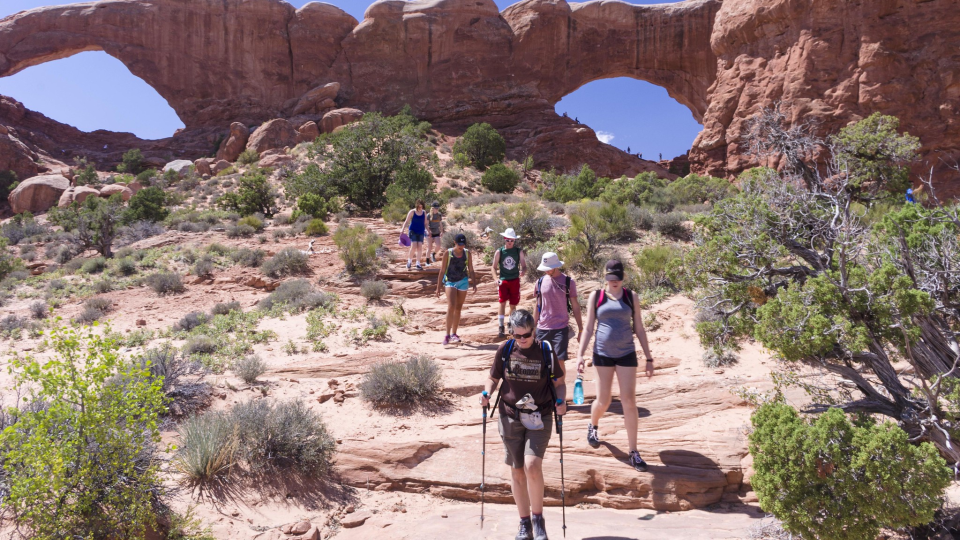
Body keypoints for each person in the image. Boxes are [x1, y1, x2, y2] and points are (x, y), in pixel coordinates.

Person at [481, 310, 566, 540]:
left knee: (531, 465)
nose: (522, 340)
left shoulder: (546, 351)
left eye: (526, 335)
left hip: (540, 416)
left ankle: (538, 521)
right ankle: (524, 524)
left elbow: (559, 383)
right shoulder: (506, 349)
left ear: (534, 330)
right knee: (517, 472)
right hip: (510, 416)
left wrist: (562, 401)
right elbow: (493, 378)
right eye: (517, 335)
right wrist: (486, 392)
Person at [576, 260, 655, 472]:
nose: (614, 282)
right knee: (604, 401)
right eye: (611, 278)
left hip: (626, 353)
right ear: (605, 277)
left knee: (629, 401)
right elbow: (589, 328)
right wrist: (580, 354)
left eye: (617, 278)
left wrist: (648, 358)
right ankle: (593, 425)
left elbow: (639, 328)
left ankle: (633, 451)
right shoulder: (597, 297)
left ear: (623, 277)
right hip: (602, 354)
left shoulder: (631, 297)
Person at [534, 252, 583, 363]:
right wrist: (533, 327)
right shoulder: (540, 282)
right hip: (542, 328)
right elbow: (537, 305)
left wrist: (580, 329)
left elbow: (575, 306)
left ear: (556, 266)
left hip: (560, 328)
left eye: (549, 268)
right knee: (541, 362)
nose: (546, 270)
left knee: (559, 362)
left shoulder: (568, 282)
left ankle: (560, 381)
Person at [436, 233, 477, 345]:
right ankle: (447, 334)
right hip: (450, 281)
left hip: (463, 281)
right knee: (451, 306)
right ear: (454, 242)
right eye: (459, 244)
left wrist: (474, 282)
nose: (461, 246)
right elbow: (442, 270)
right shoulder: (448, 253)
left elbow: (471, 269)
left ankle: (454, 333)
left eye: (463, 244)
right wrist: (438, 286)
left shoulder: (467, 253)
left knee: (458, 307)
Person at [492, 228, 527, 338]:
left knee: (513, 304)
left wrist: (523, 271)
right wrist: (495, 278)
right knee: (502, 302)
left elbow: (524, 266)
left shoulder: (518, 251)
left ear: (514, 240)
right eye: (507, 240)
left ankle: (511, 323)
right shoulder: (500, 251)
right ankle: (501, 326)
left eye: (511, 240)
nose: (509, 242)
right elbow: (493, 267)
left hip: (515, 280)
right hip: (504, 280)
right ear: (504, 239)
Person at [400, 199, 429, 270]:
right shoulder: (412, 212)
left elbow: (425, 223)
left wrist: (429, 231)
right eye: (419, 206)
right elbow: (406, 221)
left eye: (422, 206)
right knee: (413, 246)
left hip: (421, 231)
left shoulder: (424, 212)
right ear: (417, 205)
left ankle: (418, 263)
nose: (420, 208)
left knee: (419, 247)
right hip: (413, 231)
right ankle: (409, 262)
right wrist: (402, 229)